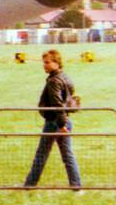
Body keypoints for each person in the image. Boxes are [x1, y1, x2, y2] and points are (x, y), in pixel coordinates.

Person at [23, 49, 81, 189]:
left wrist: (61, 125)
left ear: (57, 62)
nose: (45, 65)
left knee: (41, 155)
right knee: (67, 155)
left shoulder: (54, 81)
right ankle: (76, 185)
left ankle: (29, 185)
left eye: (48, 62)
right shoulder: (65, 77)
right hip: (64, 121)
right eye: (44, 62)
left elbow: (57, 104)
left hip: (54, 122)